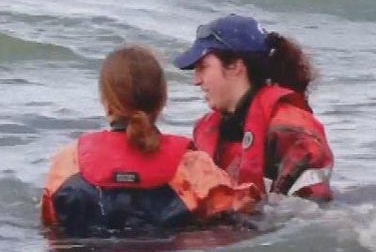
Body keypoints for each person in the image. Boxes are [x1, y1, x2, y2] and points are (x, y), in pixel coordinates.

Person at [42, 45, 257, 237]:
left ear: (106, 103)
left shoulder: (69, 162)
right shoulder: (193, 166)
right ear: (162, 102)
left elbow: (50, 225)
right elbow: (242, 213)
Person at [173, 14, 334, 201]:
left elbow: (311, 214)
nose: (196, 80)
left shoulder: (293, 131)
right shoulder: (205, 129)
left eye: (203, 67)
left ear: (235, 66)